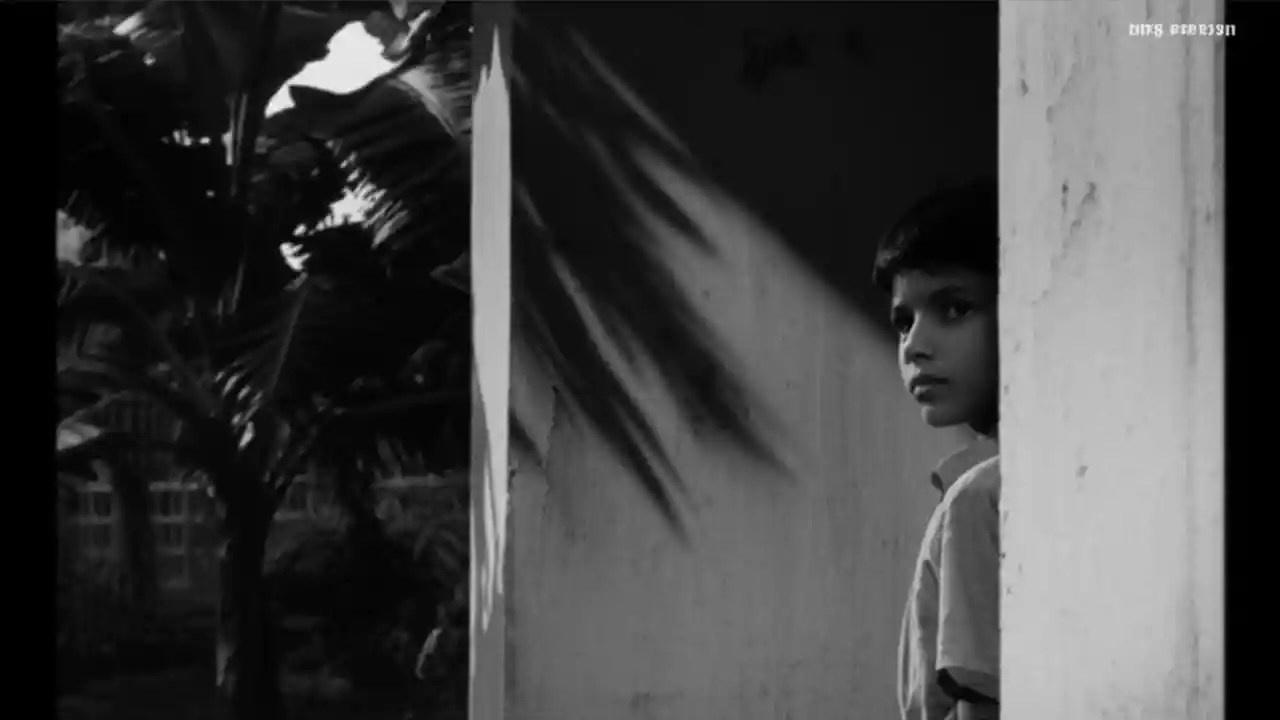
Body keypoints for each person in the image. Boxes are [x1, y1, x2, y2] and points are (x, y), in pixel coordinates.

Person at [872, 179, 1001, 720]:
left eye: (954, 309)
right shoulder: (978, 487)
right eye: (903, 321)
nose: (914, 346)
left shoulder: (981, 498)